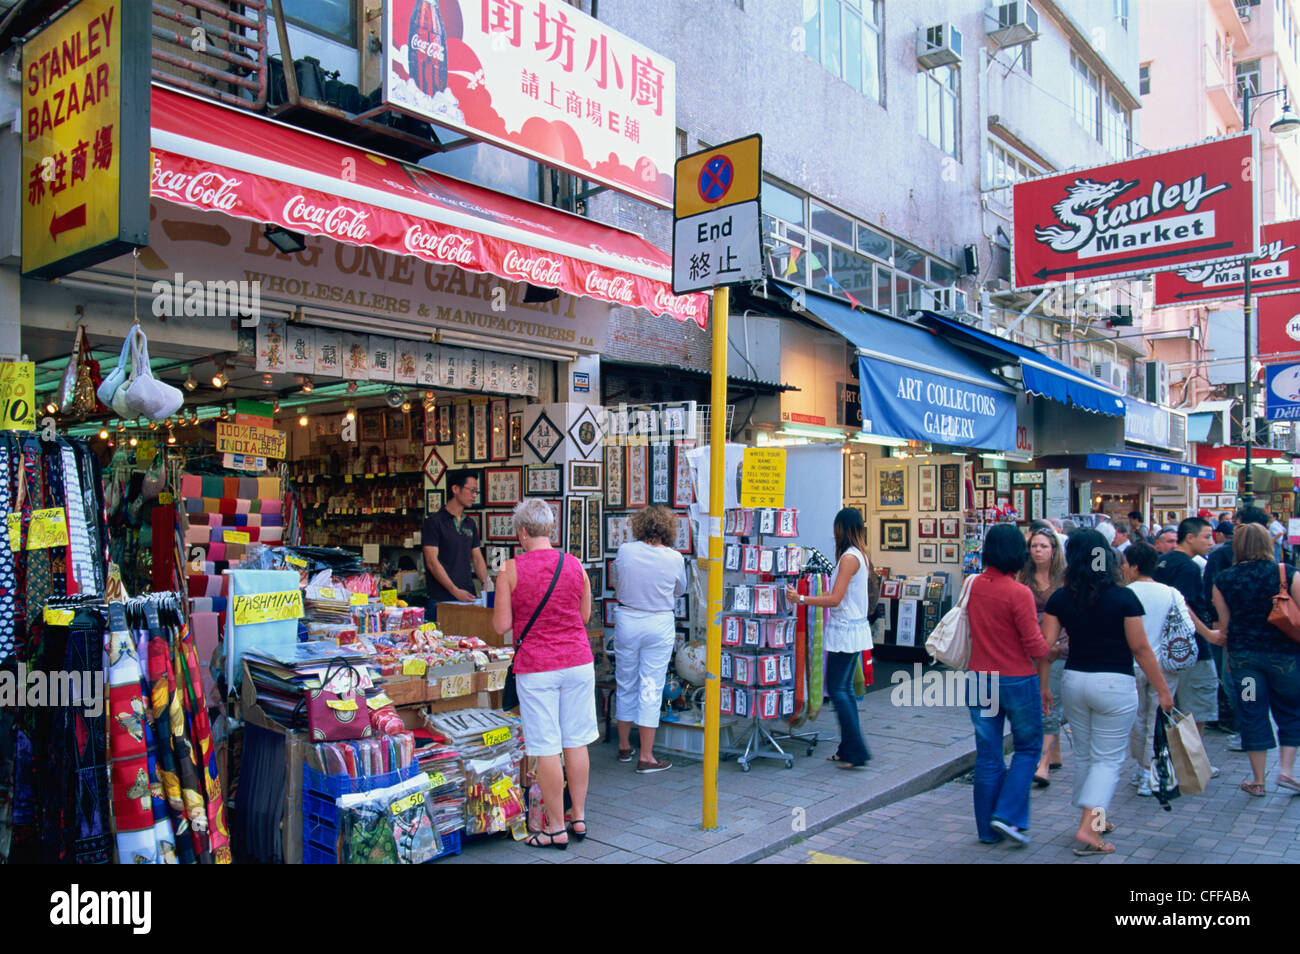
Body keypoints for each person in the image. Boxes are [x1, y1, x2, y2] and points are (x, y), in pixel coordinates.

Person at [1042, 530, 1172, 856]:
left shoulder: (1060, 598)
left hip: (1075, 682)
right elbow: (1141, 650)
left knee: (1086, 754)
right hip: (1114, 684)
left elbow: (1046, 649)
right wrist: (1163, 690)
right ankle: (1089, 826)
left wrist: (1044, 686)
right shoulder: (1123, 597)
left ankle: (1095, 818)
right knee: (1108, 760)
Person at [492, 499, 598, 849]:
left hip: (537, 666)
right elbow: (584, 617)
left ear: (522, 532)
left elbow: (502, 625)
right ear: (550, 529)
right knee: (576, 740)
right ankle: (578, 816)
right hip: (578, 661)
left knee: (547, 746)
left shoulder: (510, 569)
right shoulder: (574, 565)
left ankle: (555, 827)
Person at [962, 524, 1049, 846]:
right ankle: (1008, 814)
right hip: (1016, 679)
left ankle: (986, 830)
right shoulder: (1019, 592)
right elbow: (1034, 646)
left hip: (979, 678)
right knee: (1027, 748)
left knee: (988, 755)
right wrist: (1052, 648)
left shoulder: (973, 586)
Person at [1210, 523, 1300, 798]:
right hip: (1285, 659)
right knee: (1291, 711)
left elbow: (1225, 628)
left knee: (1252, 711)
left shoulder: (1223, 580)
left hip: (1244, 661)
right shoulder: (1286, 573)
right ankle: (1286, 771)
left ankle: (1258, 780)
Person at [784, 507, 873, 769]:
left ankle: (855, 750)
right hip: (851, 630)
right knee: (842, 690)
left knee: (838, 690)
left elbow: (835, 598)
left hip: (845, 631)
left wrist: (800, 598)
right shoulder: (860, 555)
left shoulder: (849, 558)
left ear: (841, 528)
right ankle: (850, 749)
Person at [612, 505, 687, 773]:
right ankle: (646, 756)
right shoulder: (674, 558)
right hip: (659, 622)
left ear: (640, 526)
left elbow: (616, 582)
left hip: (628, 618)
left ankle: (623, 746)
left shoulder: (625, 551)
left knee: (626, 681)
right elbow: (680, 590)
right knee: (651, 687)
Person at [1123, 542, 1198, 797]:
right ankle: (1150, 772)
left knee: (1137, 719)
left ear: (1133, 566)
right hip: (1165, 665)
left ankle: (1141, 769)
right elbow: (1188, 628)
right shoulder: (1171, 593)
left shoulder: (1124, 592)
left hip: (1130, 664)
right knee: (1158, 720)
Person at [1155, 517, 1221, 763]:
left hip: (1163, 647)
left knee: (1171, 706)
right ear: (1190, 537)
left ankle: (1169, 760)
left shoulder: (1161, 562)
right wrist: (1208, 633)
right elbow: (1184, 607)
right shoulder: (1189, 568)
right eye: (1206, 536)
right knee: (1196, 707)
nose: (1210, 542)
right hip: (1191, 648)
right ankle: (1191, 763)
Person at [1204, 507, 1270, 746]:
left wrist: (1217, 623)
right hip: (1270, 643)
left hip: (1236, 638)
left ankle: (1248, 730)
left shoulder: (1222, 562)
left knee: (1235, 681)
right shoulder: (1281, 570)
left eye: (1237, 524)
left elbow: (1211, 595)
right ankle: (1255, 733)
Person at [1017, 527, 1066, 786]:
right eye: (1034, 546)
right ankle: (1054, 752)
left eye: (1043, 546)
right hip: (1028, 644)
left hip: (1058, 645)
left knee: (1050, 699)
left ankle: (1043, 761)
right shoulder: (1023, 577)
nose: (1038, 551)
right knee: (1036, 698)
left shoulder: (1063, 578)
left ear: (1053, 550)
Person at [422, 469, 489, 616]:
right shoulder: (434, 522)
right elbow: (431, 561)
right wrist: (454, 590)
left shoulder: (470, 523)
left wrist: (485, 583)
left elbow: (477, 558)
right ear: (455, 489)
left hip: (468, 598)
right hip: (442, 600)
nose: (474, 496)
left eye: (476, 492)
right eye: (471, 490)